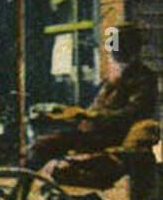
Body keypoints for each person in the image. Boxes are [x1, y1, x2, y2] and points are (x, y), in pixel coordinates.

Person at [28, 22, 158, 171]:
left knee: (44, 145)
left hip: (113, 137)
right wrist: (73, 114)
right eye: (112, 46)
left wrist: (92, 116)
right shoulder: (113, 77)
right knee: (42, 141)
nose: (113, 52)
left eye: (117, 46)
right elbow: (95, 105)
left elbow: (134, 113)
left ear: (131, 47)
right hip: (93, 132)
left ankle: (22, 187)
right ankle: (22, 188)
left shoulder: (143, 77)